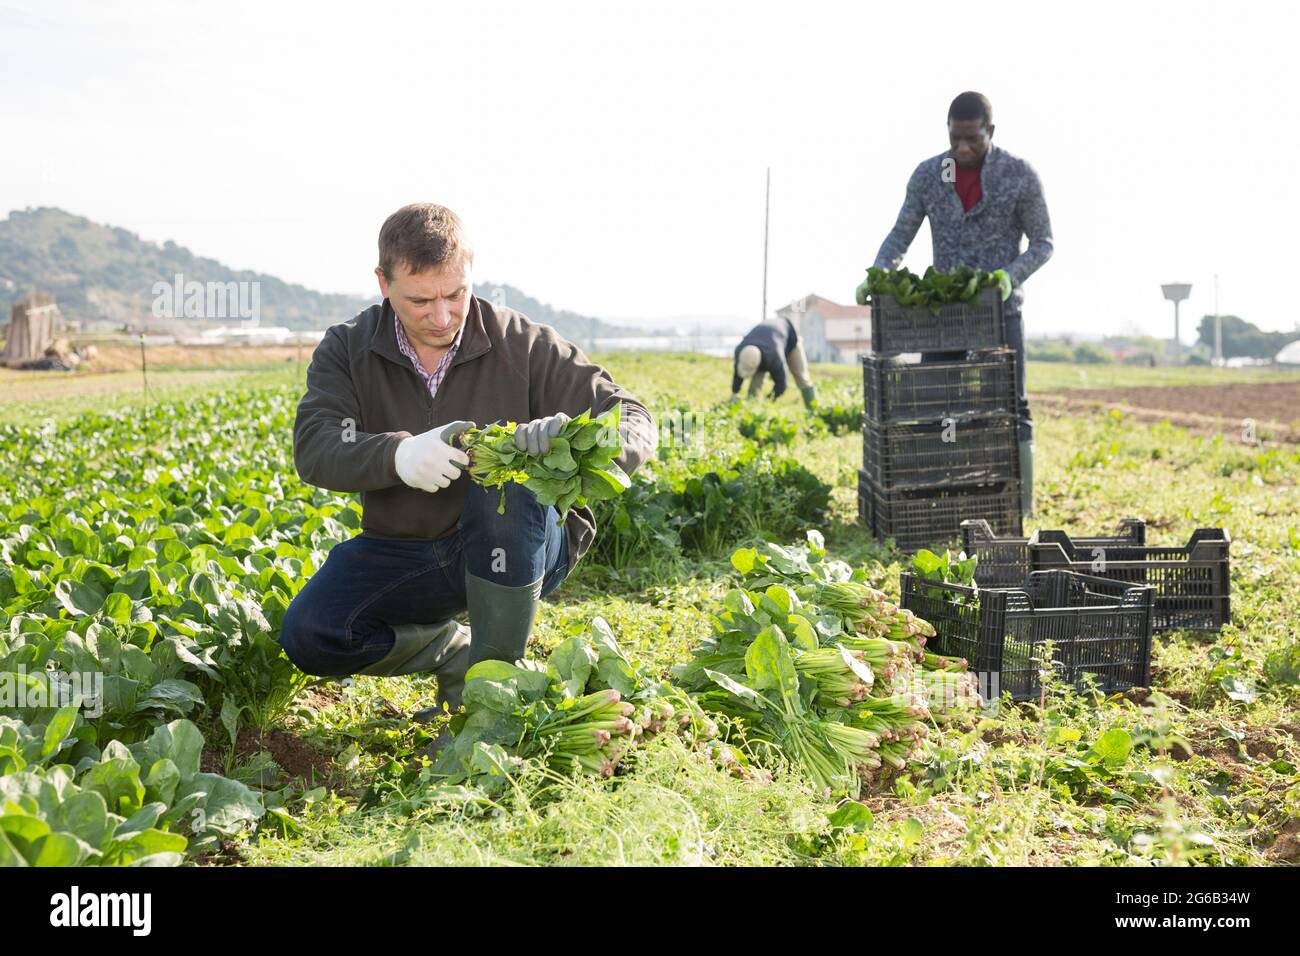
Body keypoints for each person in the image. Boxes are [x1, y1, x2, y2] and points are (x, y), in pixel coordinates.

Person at [279, 203, 658, 749]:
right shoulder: (347, 348)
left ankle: (491, 703)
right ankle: (459, 654)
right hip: (408, 553)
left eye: (455, 295)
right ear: (383, 283)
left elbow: (631, 416)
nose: (441, 316)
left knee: (502, 490)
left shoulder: (521, 342)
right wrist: (399, 456)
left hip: (519, 548)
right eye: (420, 300)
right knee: (312, 632)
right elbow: (316, 446)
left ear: (471, 273)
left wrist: (570, 449)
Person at [867, 91, 1053, 516]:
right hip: (945, 313)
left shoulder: (1019, 175)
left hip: (998, 311)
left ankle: (1015, 505)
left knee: (1008, 406)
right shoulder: (930, 175)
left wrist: (1012, 273)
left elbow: (1044, 243)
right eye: (955, 139)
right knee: (936, 402)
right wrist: (878, 272)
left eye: (973, 139)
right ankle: (942, 496)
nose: (963, 148)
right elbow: (901, 234)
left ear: (991, 131)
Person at [730, 313, 816, 408]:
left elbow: (781, 384)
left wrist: (768, 401)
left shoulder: (775, 357)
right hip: (767, 344)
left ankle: (813, 408)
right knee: (755, 383)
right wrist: (734, 393)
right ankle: (751, 408)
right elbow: (738, 374)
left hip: (790, 338)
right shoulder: (741, 350)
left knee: (801, 376)